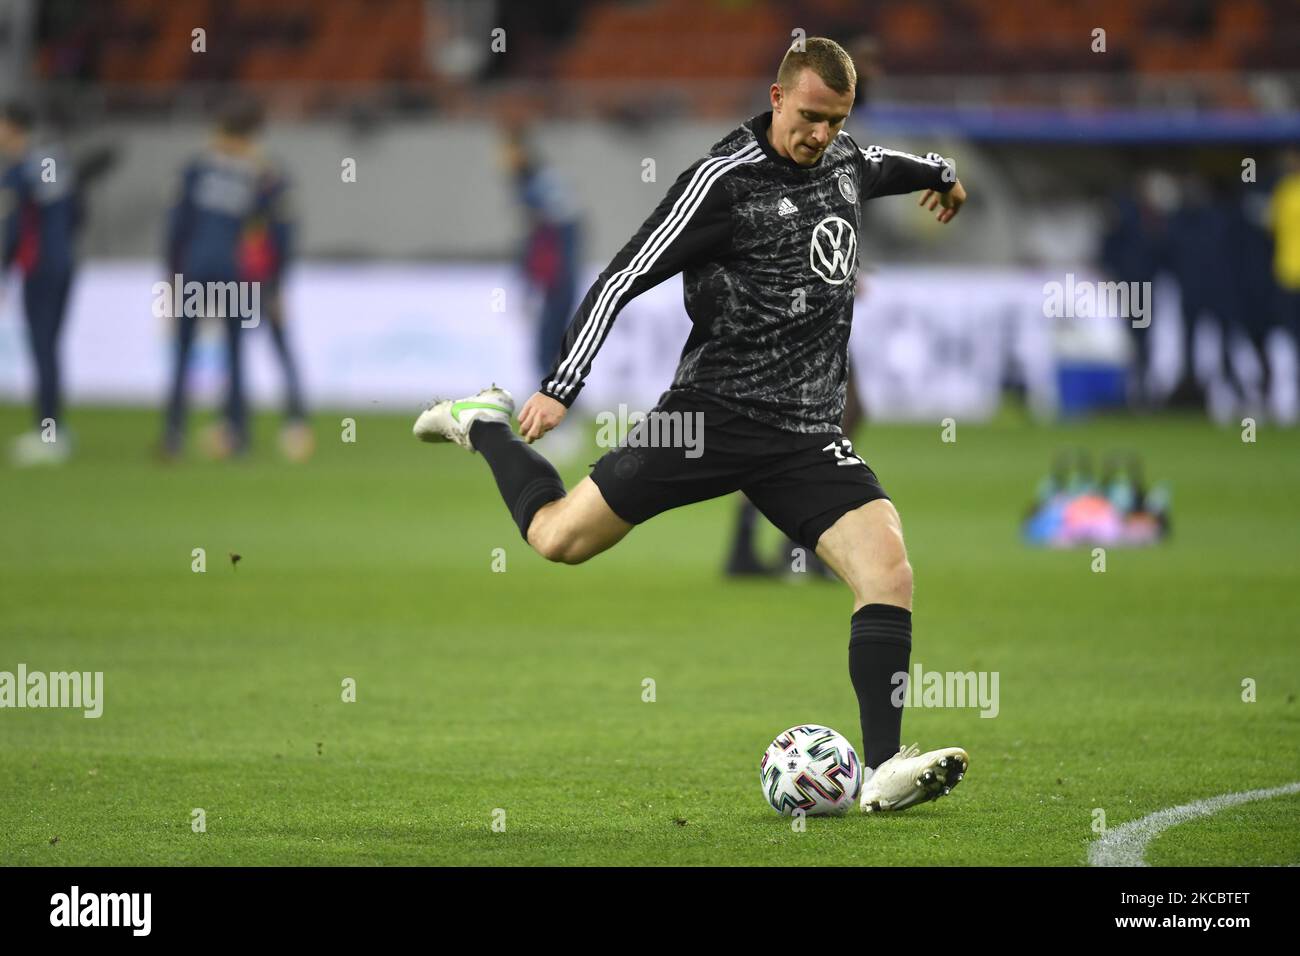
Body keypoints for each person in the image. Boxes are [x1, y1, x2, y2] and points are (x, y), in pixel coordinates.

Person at [415, 38, 969, 812]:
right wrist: (562, 386)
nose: (821, 135)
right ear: (777, 99)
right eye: (809, 117)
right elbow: (621, 275)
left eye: (836, 121)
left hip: (806, 432)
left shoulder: (843, 157)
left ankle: (882, 769)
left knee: (889, 573)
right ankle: (484, 425)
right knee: (557, 540)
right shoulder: (722, 183)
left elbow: (882, 164)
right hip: (709, 417)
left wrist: (942, 175)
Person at [161, 97, 291, 458]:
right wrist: (275, 284)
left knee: (182, 351)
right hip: (237, 273)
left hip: (194, 268)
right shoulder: (261, 173)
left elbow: (176, 227)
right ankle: (238, 435)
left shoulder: (196, 169)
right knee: (235, 353)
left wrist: (171, 279)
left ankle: (173, 434)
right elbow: (276, 234)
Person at [1, 102, 79, 465]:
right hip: (64, 262)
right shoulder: (54, 161)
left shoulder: (21, 169)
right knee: (50, 348)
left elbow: (13, 228)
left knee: (42, 348)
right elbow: (78, 210)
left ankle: (48, 436)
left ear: (11, 128)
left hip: (39, 265)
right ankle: (55, 430)